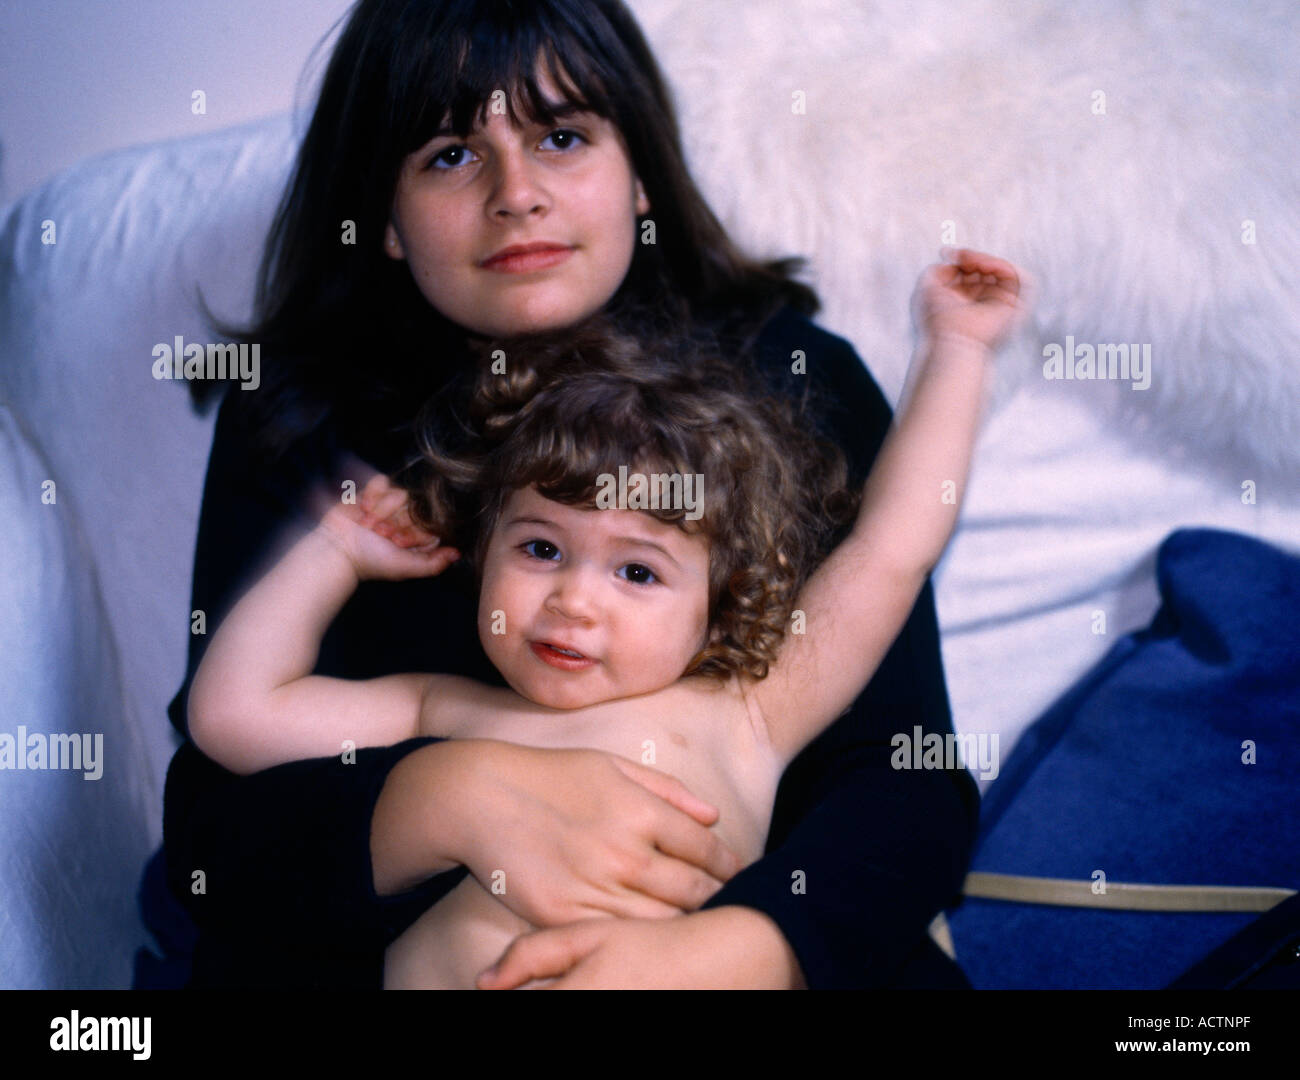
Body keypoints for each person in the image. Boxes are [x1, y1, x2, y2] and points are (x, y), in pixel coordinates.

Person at [137, 0, 985, 989]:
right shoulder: (307, 420)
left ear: (639, 175)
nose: (518, 195)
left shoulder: (792, 378)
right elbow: (216, 830)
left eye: (563, 137)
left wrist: (731, 952)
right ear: (385, 221)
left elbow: (902, 777)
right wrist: (447, 795)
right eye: (451, 155)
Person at [187, 258, 1025, 990]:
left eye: (637, 571)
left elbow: (890, 548)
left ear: (721, 599)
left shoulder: (750, 711)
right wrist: (334, 552)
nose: (573, 601)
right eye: (542, 548)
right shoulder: (436, 710)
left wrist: (957, 349)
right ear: (483, 551)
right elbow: (232, 717)